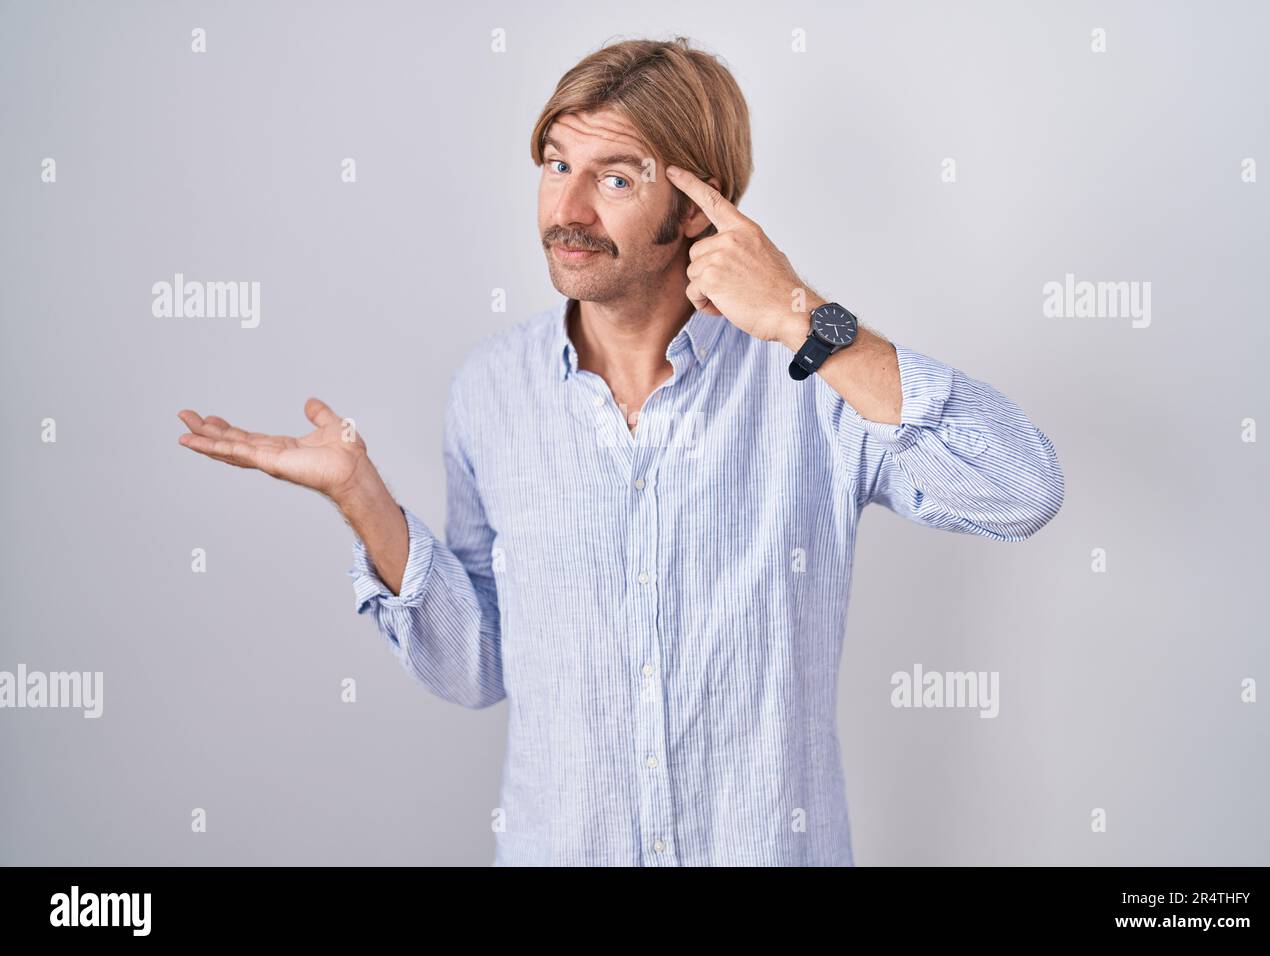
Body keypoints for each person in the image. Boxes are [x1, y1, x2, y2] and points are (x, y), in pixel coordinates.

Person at [177, 36, 1064, 866]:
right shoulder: (490, 390)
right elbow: (477, 669)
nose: (565, 210)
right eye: (557, 166)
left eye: (615, 179)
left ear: (695, 204)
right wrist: (365, 503)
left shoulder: (811, 385)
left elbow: (1020, 488)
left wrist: (802, 315)